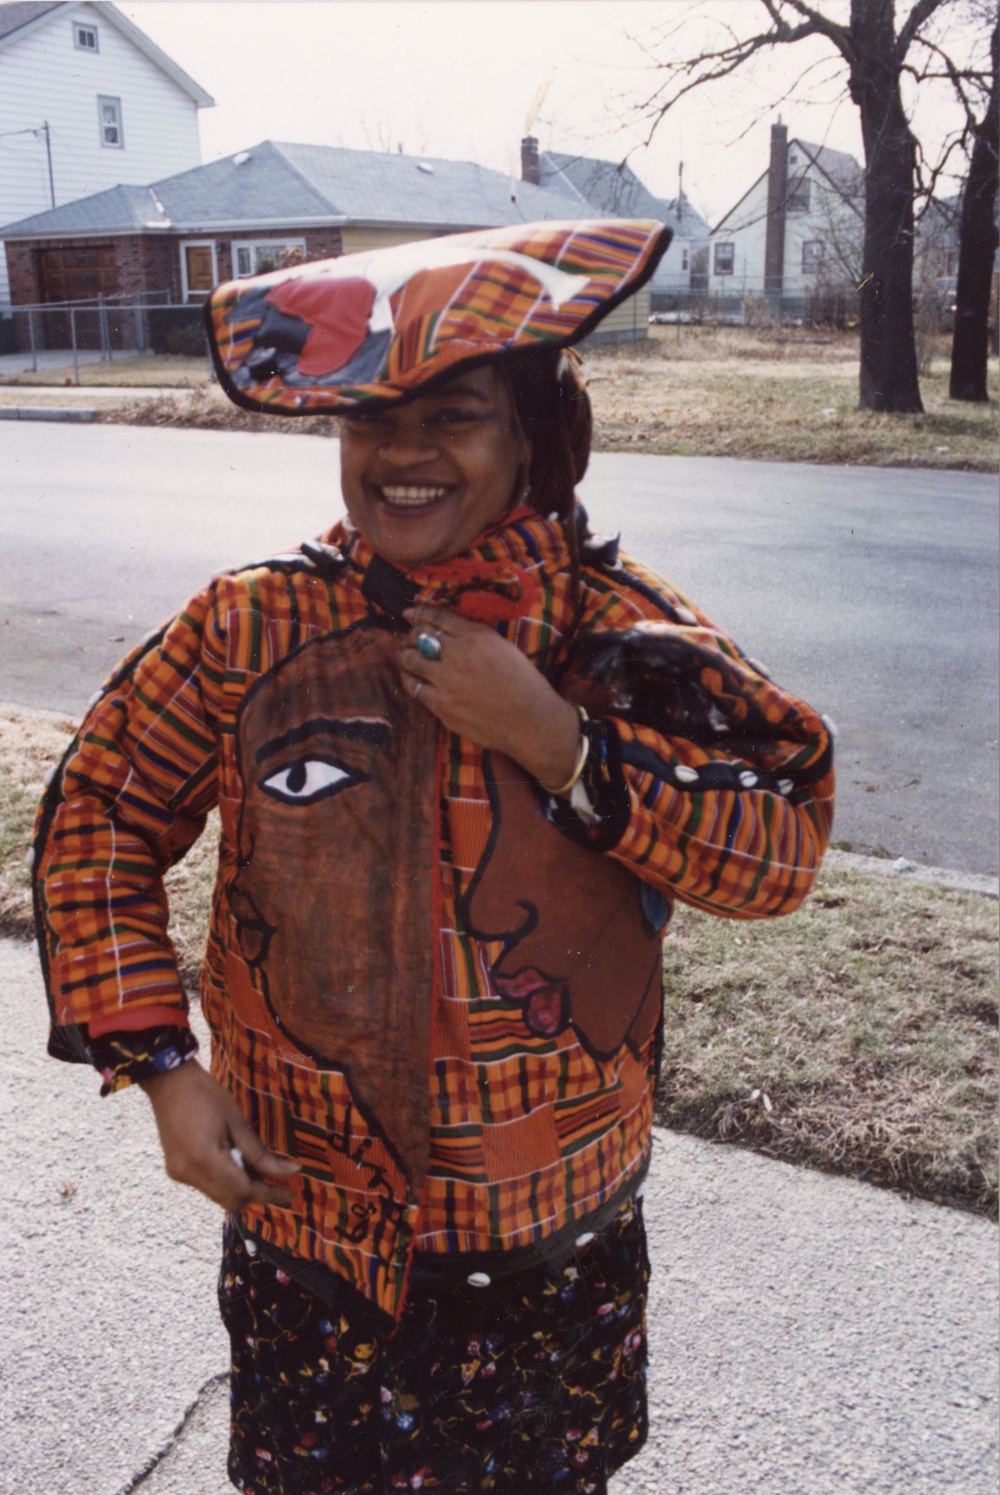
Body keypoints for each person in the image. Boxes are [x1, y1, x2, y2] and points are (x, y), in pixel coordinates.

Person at [33, 219, 834, 1495]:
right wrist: (162, 1068)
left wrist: (559, 740)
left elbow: (779, 852)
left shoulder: (616, 631)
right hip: (314, 1244)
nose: (401, 454)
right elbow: (97, 822)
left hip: (549, 1258)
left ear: (530, 435)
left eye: (451, 414)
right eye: (365, 421)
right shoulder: (251, 628)